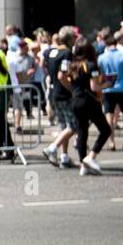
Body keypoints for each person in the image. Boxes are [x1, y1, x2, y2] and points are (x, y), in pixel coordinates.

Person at [59, 38, 111, 176]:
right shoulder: (91, 65)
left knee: (82, 132)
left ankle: (83, 164)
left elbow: (62, 78)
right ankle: (91, 157)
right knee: (105, 130)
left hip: (75, 101)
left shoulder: (73, 65)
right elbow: (94, 87)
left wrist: (73, 90)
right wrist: (107, 85)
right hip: (89, 100)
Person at [41, 27, 76, 168]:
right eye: (74, 37)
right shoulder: (67, 52)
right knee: (74, 125)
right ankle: (52, 148)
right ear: (69, 39)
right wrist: (73, 89)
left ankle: (64, 156)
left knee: (63, 126)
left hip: (54, 92)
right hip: (64, 93)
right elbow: (62, 75)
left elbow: (45, 67)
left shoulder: (50, 52)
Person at [98, 30, 123, 151]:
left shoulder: (102, 58)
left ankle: (111, 141)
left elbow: (100, 76)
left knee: (110, 115)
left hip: (108, 89)